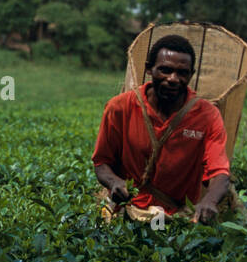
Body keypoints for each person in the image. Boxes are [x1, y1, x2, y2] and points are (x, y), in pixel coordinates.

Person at [92, 33, 233, 224]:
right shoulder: (120, 107)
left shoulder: (207, 115)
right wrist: (114, 182)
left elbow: (220, 174)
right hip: (127, 211)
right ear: (149, 69)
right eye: (165, 70)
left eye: (182, 73)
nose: (173, 79)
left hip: (176, 217)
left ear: (191, 74)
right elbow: (101, 163)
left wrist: (209, 200)